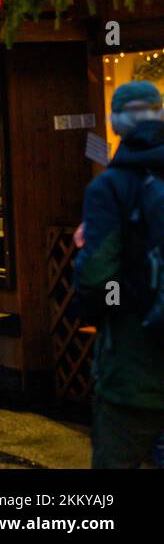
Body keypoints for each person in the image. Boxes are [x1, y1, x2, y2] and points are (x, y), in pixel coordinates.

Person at [75, 80, 164, 468]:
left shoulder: (110, 187)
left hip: (132, 359)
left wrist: (101, 309)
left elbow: (98, 276)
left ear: (115, 123)